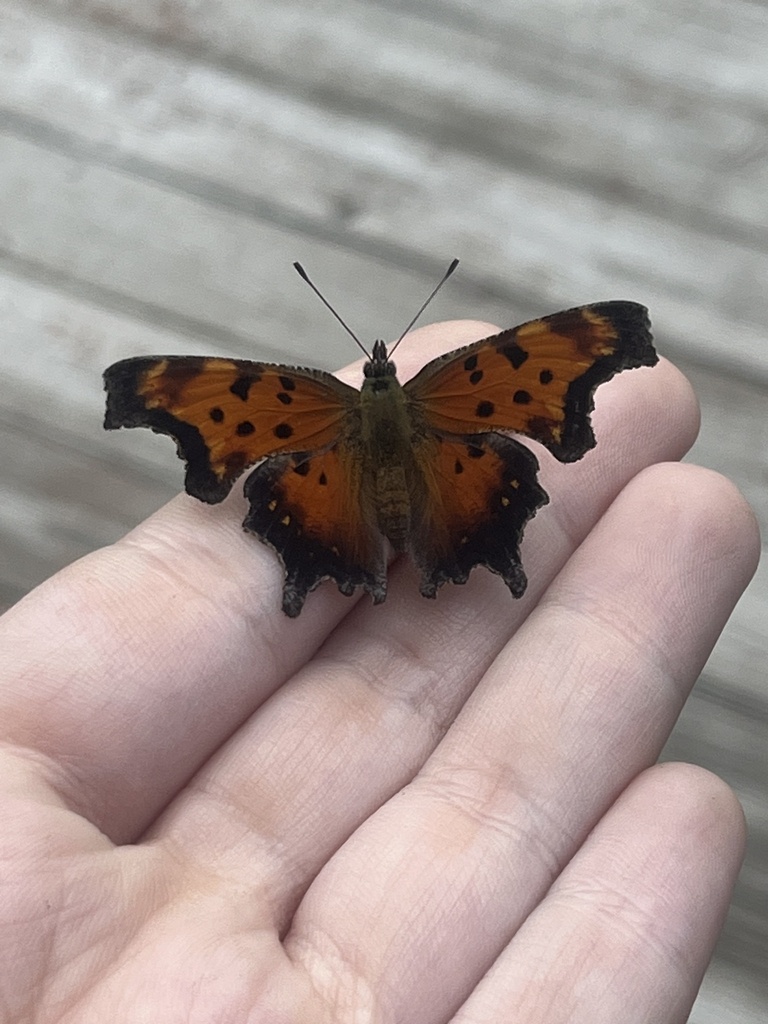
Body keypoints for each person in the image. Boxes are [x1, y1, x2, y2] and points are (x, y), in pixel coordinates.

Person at [0, 320, 759, 1022]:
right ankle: (417, 552)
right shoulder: (469, 378)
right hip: (439, 471)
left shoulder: (293, 400)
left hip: (344, 485)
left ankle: (422, 550)